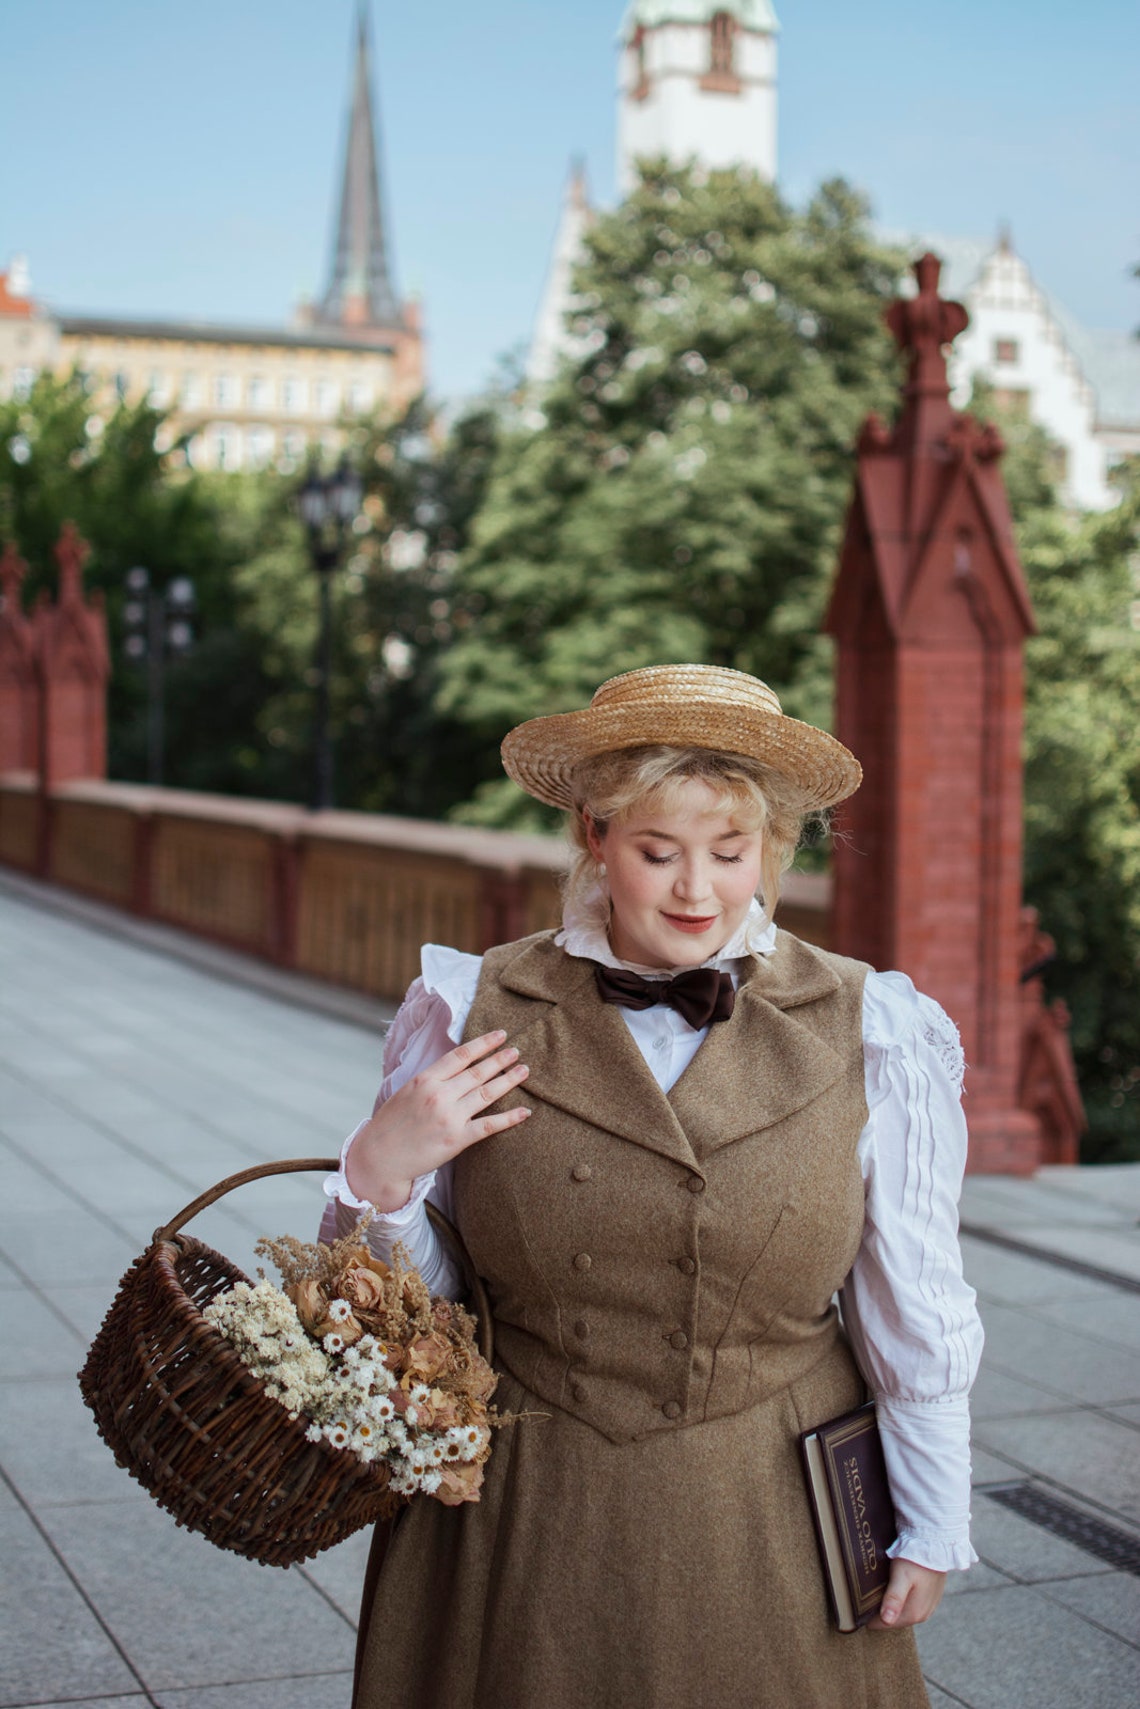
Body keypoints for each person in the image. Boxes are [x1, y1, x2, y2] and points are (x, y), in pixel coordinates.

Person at [321, 664, 983, 1709]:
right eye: (656, 850)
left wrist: (932, 1517)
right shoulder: (466, 1004)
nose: (697, 890)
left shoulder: (879, 1028)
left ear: (775, 846)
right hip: (524, 1508)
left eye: (733, 852)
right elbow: (415, 1308)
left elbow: (915, 1300)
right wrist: (380, 1169)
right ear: (594, 835)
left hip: (776, 1511)